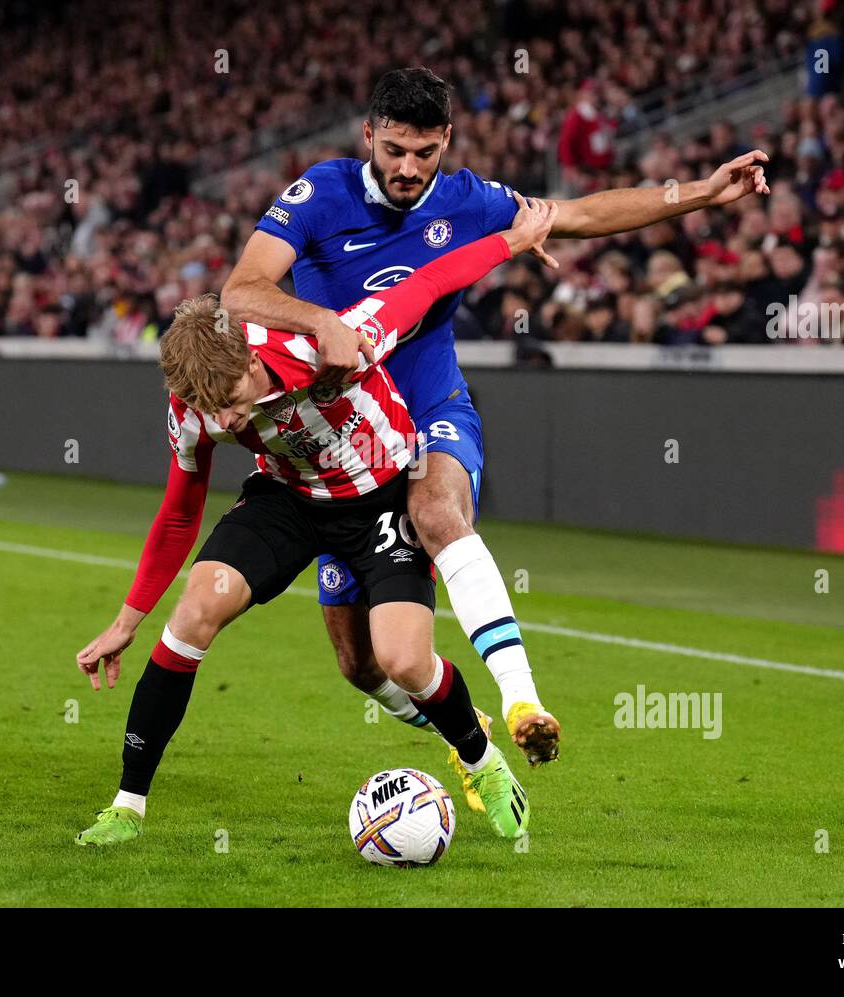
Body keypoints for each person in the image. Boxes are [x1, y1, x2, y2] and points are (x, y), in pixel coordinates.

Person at [220, 66, 770, 787]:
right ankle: (463, 727)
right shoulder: (320, 194)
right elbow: (240, 290)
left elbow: (577, 214)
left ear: (445, 139)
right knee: (361, 664)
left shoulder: (469, 201)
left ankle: (522, 700)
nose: (409, 168)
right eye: (394, 151)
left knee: (437, 512)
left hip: (429, 410)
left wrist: (700, 192)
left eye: (425, 151)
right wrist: (322, 322)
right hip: (347, 442)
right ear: (368, 138)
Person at [73, 197, 558, 847]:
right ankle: (127, 805)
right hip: (288, 497)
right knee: (193, 612)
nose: (225, 423)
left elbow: (428, 282)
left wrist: (513, 240)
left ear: (250, 360)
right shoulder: (195, 400)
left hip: (379, 495)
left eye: (234, 404)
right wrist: (125, 620)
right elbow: (178, 512)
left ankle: (480, 759)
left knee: (401, 658)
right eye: (209, 410)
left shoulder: (330, 342)